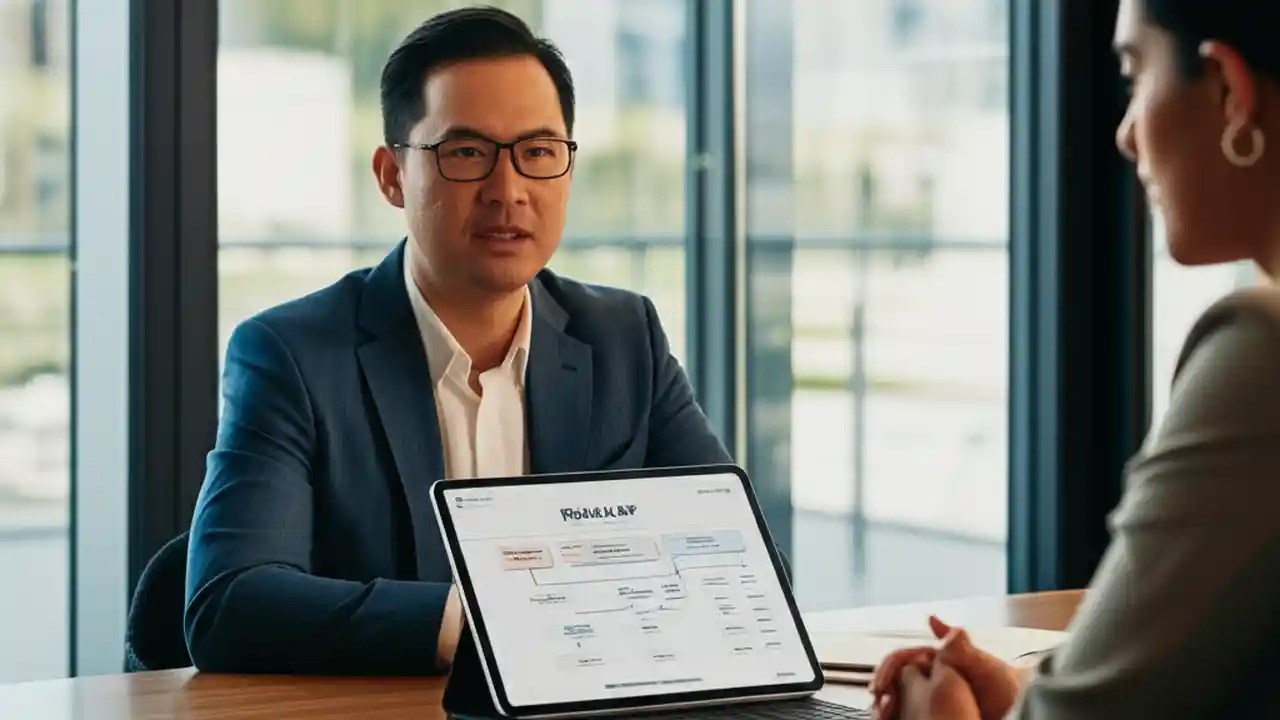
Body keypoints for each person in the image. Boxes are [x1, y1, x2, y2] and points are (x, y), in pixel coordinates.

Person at [184, 7, 730, 675]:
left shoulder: (625, 339)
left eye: (538, 153)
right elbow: (230, 603)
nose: (508, 191)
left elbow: (744, 567)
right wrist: (485, 626)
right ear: (392, 175)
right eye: (467, 153)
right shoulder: (291, 355)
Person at [870, 0, 1280, 717]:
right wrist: (1024, 697)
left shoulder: (1260, 349)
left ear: (1227, 90)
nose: (1125, 133)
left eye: (1134, 74)